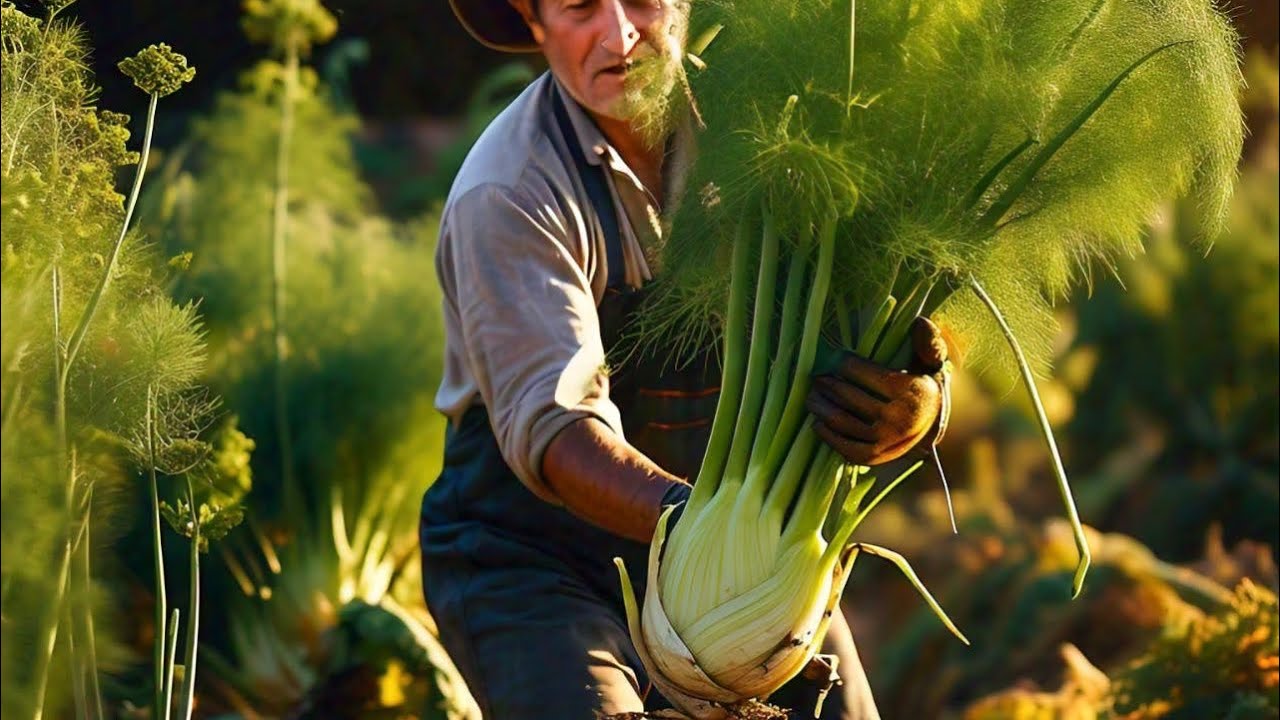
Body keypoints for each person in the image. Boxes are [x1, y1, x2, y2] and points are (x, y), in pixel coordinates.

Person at [420, 0, 950, 717]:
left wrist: (918, 406)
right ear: (532, 16)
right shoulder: (510, 193)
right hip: (539, 564)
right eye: (579, 7)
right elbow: (558, 433)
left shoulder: (779, 131)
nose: (620, 33)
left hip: (741, 559)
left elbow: (878, 316)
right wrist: (708, 534)